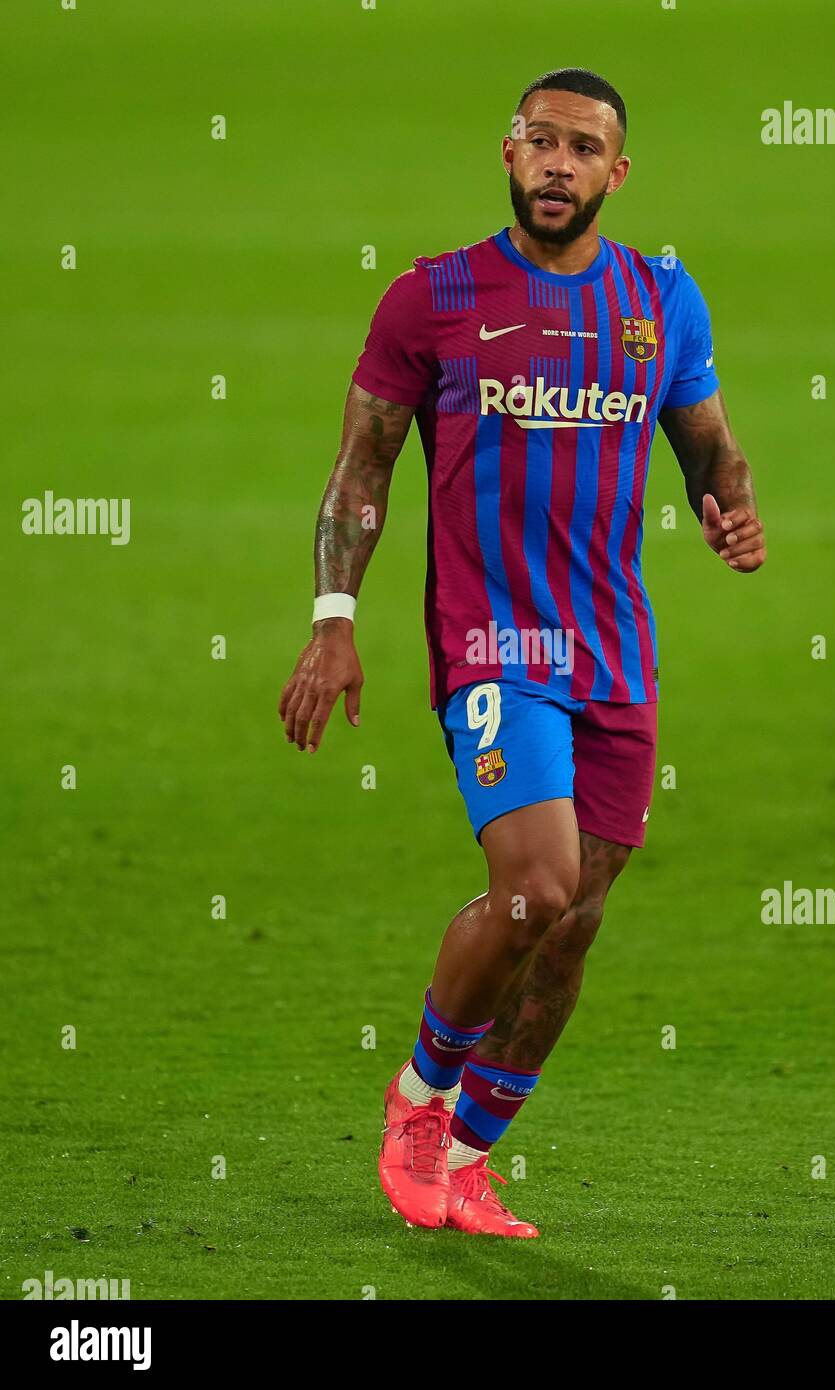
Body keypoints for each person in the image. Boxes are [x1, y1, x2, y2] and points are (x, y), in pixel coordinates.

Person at [279, 67, 766, 1238]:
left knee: (575, 918)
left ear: (615, 172)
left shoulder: (659, 298)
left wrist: (726, 504)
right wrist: (332, 622)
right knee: (534, 884)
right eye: (539, 142)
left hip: (613, 647)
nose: (557, 164)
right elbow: (361, 468)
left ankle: (468, 1152)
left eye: (581, 149)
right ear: (507, 153)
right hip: (495, 642)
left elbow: (703, 443)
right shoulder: (432, 296)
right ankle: (414, 1103)